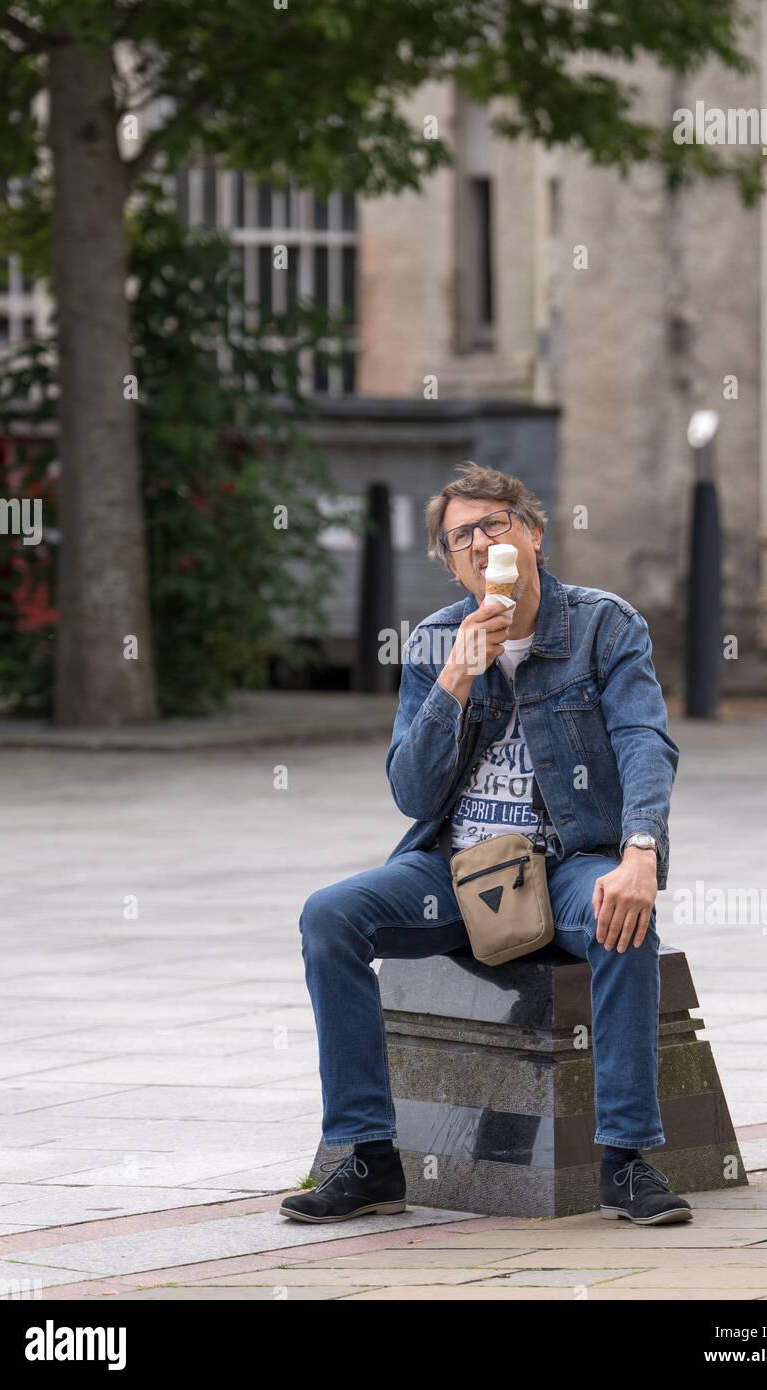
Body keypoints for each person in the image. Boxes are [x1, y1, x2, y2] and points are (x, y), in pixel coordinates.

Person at [281, 463, 692, 1226]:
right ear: (448, 558)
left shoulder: (604, 625)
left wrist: (640, 851)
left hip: (566, 862)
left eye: (494, 525)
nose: (479, 543)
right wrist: (456, 681)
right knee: (329, 917)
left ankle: (626, 1162)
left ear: (533, 534)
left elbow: (644, 740)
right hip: (454, 867)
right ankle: (369, 1156)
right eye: (460, 536)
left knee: (620, 917)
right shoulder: (439, 639)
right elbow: (409, 790)